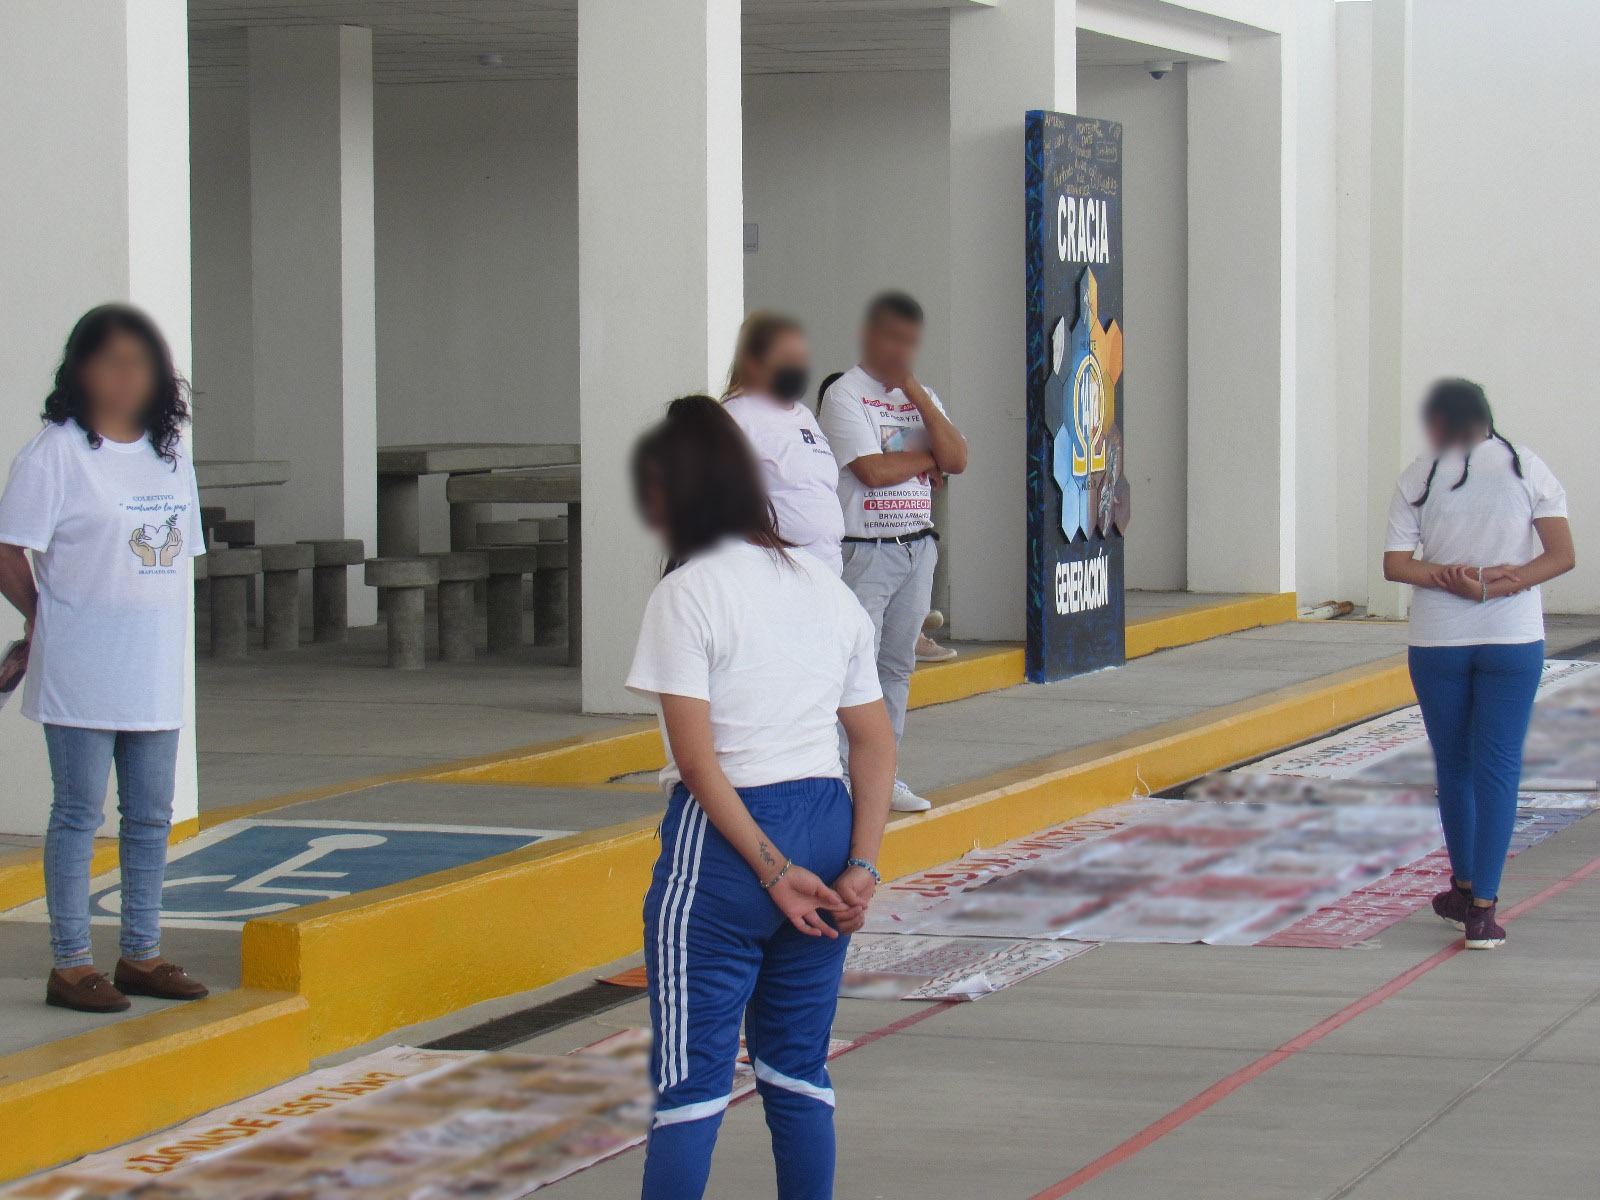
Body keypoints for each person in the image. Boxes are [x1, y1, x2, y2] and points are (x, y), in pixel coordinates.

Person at [626, 395, 896, 1200]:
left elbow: (699, 763)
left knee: (692, 1086)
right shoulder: (820, 585)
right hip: (827, 823)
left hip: (731, 846)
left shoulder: (688, 592)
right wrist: (863, 867)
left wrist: (771, 869)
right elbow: (875, 742)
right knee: (798, 1071)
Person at [0, 305, 210, 1012]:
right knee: (78, 815)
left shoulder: (169, 452)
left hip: (152, 668)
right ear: (80, 370)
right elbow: (8, 548)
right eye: (110, 361)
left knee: (152, 815)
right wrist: (40, 617)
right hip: (82, 668)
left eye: (139, 361)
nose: (126, 376)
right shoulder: (56, 453)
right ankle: (70, 964)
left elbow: (181, 561)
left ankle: (141, 956)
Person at [1383, 378, 1574, 950]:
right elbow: (1562, 556)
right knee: (1498, 768)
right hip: (1512, 639)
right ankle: (1482, 911)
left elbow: (1396, 565)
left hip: (1439, 639)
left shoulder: (1420, 473)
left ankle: (1463, 885)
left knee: (1455, 766)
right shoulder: (1527, 468)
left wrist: (1446, 577)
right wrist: (1509, 581)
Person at [820, 292, 968, 813]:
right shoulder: (845, 395)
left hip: (916, 549)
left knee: (896, 669)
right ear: (870, 336)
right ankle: (838, 778)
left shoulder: (918, 394)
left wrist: (914, 394)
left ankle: (883, 778)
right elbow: (871, 471)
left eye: (910, 341)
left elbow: (958, 459)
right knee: (854, 669)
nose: (901, 348)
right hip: (865, 552)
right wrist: (924, 457)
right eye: (892, 338)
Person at [722, 312, 844, 573]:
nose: (798, 368)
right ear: (754, 363)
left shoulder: (804, 416)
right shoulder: (735, 417)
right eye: (788, 360)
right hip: (775, 576)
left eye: (802, 359)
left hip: (826, 575)